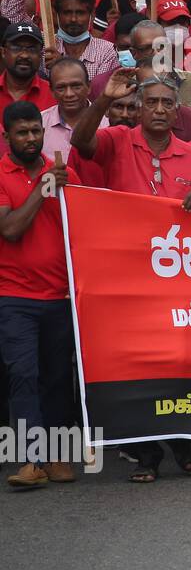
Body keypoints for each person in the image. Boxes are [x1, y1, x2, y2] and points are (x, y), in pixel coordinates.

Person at [71, 70, 191, 481]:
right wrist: (102, 101)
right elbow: (79, 142)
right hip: (124, 278)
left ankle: (181, 440)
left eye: (169, 103)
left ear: (178, 111)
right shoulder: (115, 139)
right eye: (153, 103)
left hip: (173, 281)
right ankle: (148, 455)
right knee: (135, 367)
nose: (161, 110)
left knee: (173, 363)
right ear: (141, 108)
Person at [0, 100, 81, 489]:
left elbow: (88, 224)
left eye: (36, 130)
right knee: (23, 375)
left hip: (60, 296)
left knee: (57, 379)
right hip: (14, 297)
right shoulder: (2, 174)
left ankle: (58, 457)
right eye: (22, 132)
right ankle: (30, 460)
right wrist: (43, 192)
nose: (31, 138)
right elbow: (11, 230)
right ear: (7, 136)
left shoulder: (64, 171)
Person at [2, 0, 118, 80]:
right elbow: (10, 11)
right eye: (67, 12)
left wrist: (62, 65)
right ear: (56, 13)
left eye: (80, 13)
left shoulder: (106, 51)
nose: (73, 19)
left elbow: (99, 93)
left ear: (92, 14)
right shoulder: (41, 43)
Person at [40, 57, 102, 160]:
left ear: (89, 87)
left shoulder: (106, 123)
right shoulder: (40, 124)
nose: (69, 94)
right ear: (52, 91)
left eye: (76, 86)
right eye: (61, 88)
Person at [0, 23, 53, 113]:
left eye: (32, 49)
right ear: (3, 52)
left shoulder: (54, 95)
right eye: (16, 48)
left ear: (40, 55)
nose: (24, 55)